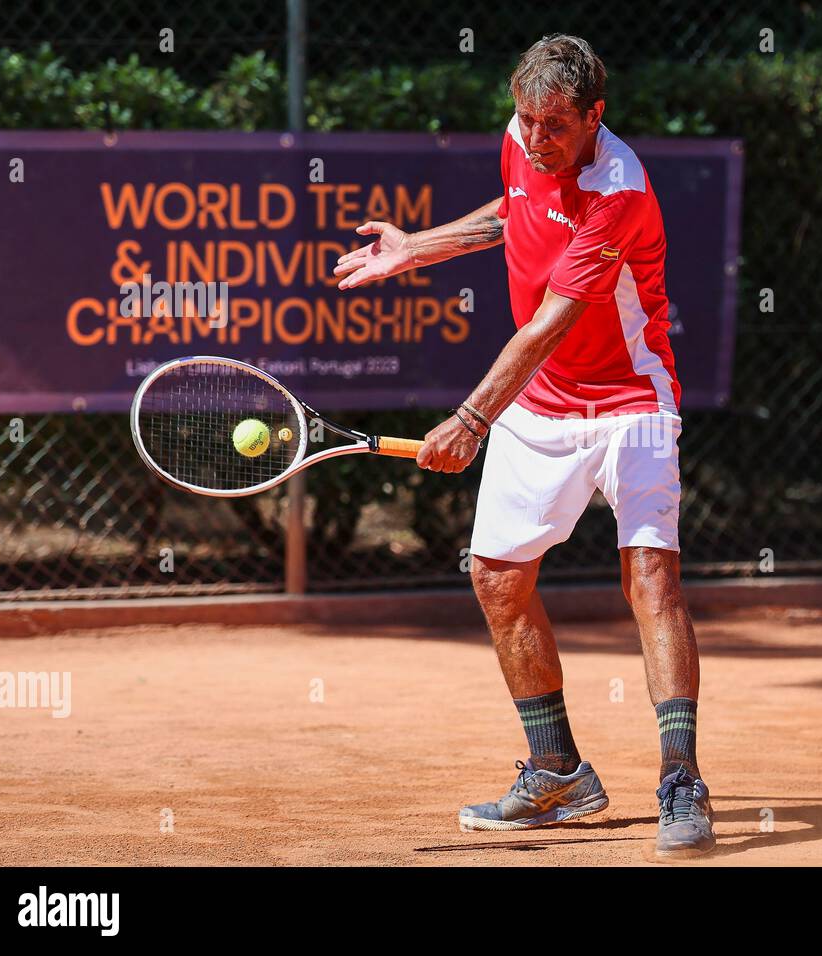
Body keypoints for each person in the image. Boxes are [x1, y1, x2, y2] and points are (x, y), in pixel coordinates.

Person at [334, 34, 714, 858]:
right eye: (527, 119)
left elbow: (548, 325)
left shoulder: (620, 193)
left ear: (594, 117)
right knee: (497, 576)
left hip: (630, 401)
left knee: (650, 576)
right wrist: (417, 247)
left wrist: (471, 420)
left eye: (556, 126)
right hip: (540, 405)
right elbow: (514, 209)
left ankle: (681, 779)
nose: (537, 138)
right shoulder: (523, 138)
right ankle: (557, 771)